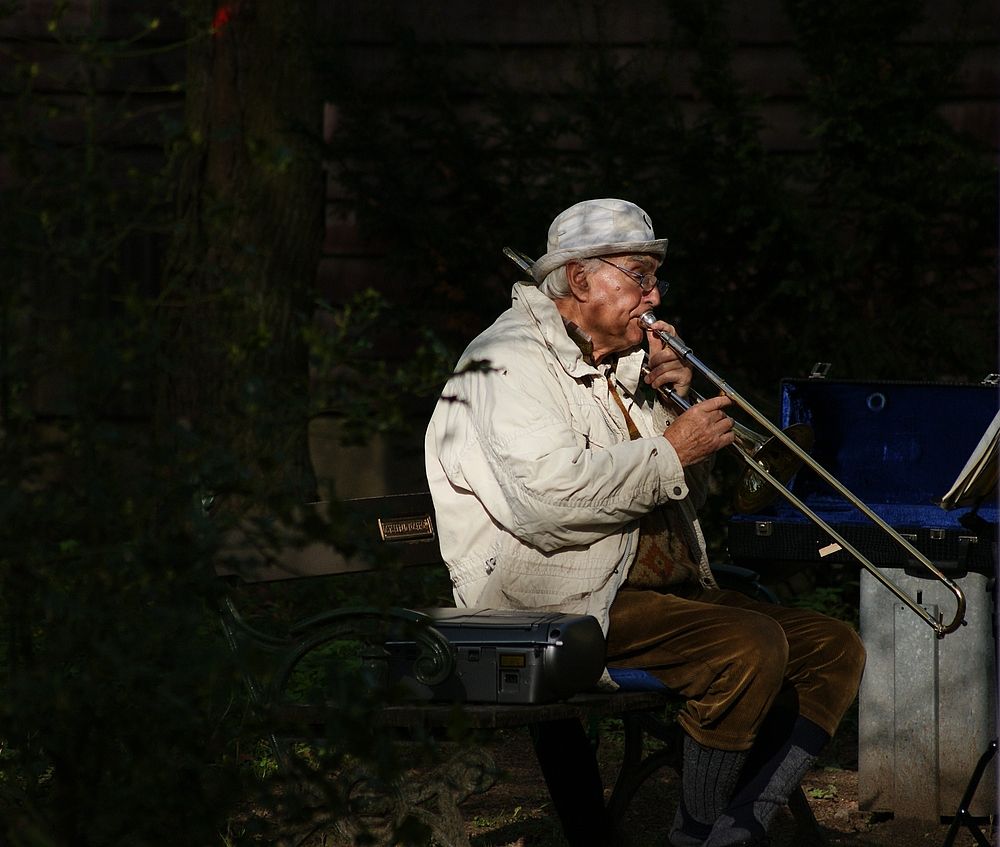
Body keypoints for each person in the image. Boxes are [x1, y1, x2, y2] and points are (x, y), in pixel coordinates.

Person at [424, 198, 866, 847]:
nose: (653, 294)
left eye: (652, 277)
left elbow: (664, 487)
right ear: (580, 281)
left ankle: (741, 820)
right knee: (748, 645)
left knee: (835, 645)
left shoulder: (611, 366)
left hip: (640, 590)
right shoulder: (508, 363)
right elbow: (547, 503)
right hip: (550, 597)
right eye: (637, 275)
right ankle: (695, 829)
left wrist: (669, 409)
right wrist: (672, 446)